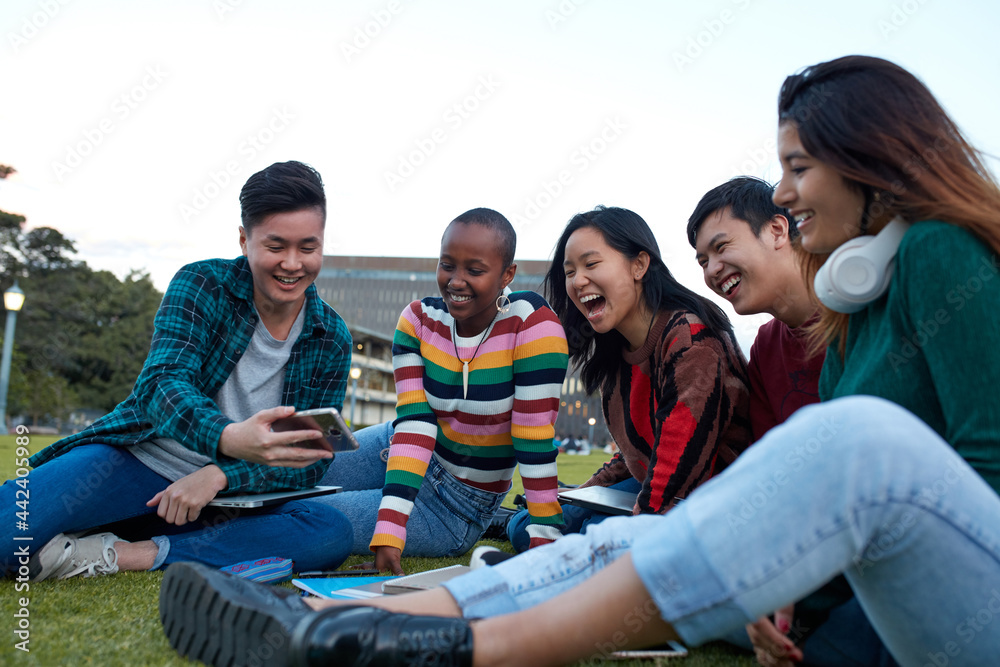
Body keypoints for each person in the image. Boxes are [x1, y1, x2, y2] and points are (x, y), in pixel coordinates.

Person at [158, 55, 1000, 667]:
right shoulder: (856, 313)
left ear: (867, 158)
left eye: (799, 168)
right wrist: (788, 587)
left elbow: (969, 475)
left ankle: (464, 650)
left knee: (814, 455)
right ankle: (355, 625)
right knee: (607, 541)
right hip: (861, 591)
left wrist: (796, 582)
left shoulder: (938, 254)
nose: (782, 190)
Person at [0, 160, 355, 580]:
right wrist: (229, 437)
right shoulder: (202, 284)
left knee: (329, 532)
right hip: (137, 459)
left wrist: (219, 475)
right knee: (7, 533)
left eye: (308, 248)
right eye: (276, 247)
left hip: (225, 497)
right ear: (245, 240)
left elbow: (310, 458)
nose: (293, 264)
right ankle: (89, 527)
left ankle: (123, 553)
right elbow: (162, 385)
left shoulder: (331, 336)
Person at [312, 207, 569, 574]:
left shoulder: (532, 325)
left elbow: (532, 437)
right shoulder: (418, 320)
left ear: (507, 274)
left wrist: (545, 543)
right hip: (398, 444)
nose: (456, 281)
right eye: (447, 265)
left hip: (455, 505)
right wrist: (390, 528)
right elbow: (415, 424)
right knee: (293, 471)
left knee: (305, 514)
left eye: (475, 271)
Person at [505, 205, 750, 552]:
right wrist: (580, 495)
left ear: (639, 265)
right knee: (528, 527)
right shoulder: (615, 350)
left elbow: (676, 466)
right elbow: (638, 455)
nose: (577, 281)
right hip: (654, 485)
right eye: (570, 271)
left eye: (591, 264)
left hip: (712, 498)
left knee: (593, 532)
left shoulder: (691, 341)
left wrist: (625, 524)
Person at [688, 176, 824, 443]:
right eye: (703, 262)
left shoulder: (862, 306)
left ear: (776, 231)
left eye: (721, 247)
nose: (712, 270)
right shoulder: (765, 347)